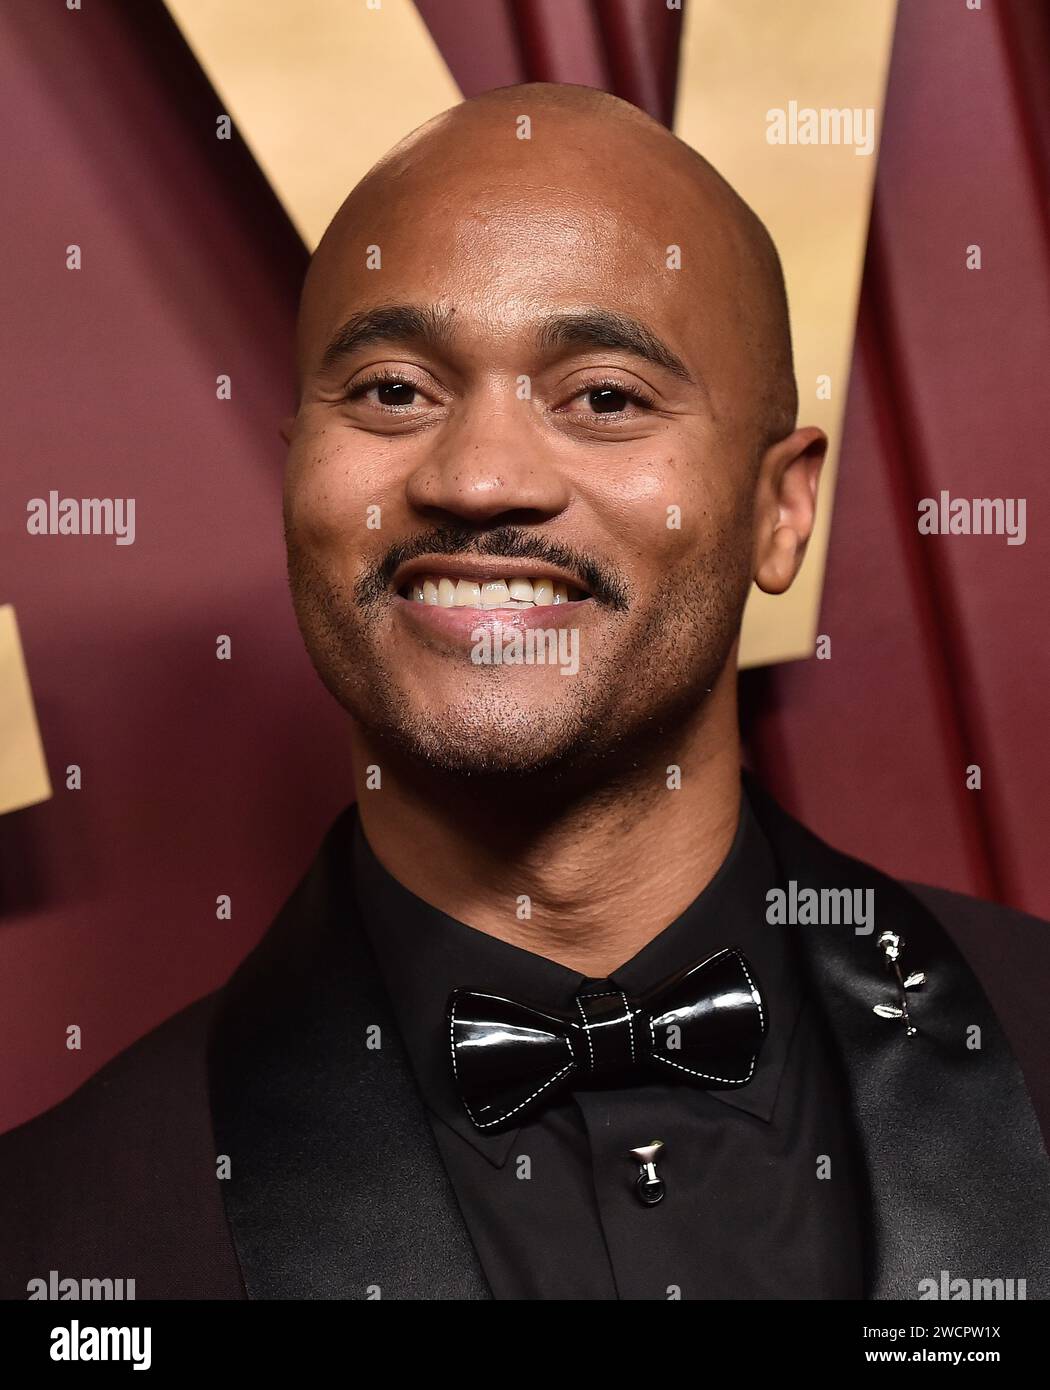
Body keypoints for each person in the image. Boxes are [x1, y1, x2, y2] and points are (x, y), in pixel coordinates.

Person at [2, 83, 1048, 1302]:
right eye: (394, 390)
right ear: (297, 481)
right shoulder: (51, 1241)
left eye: (604, 395)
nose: (482, 478)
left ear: (783, 511)